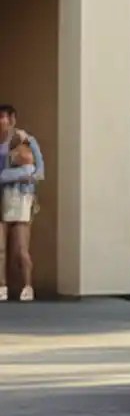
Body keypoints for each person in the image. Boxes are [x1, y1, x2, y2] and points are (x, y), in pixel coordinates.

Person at [0, 104, 44, 302]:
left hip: (21, 199)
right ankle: (2, 286)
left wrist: (21, 174)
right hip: (2, 198)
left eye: (3, 117)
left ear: (11, 119)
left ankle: (28, 285)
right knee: (0, 248)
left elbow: (37, 172)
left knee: (20, 249)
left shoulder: (26, 140)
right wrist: (18, 174)